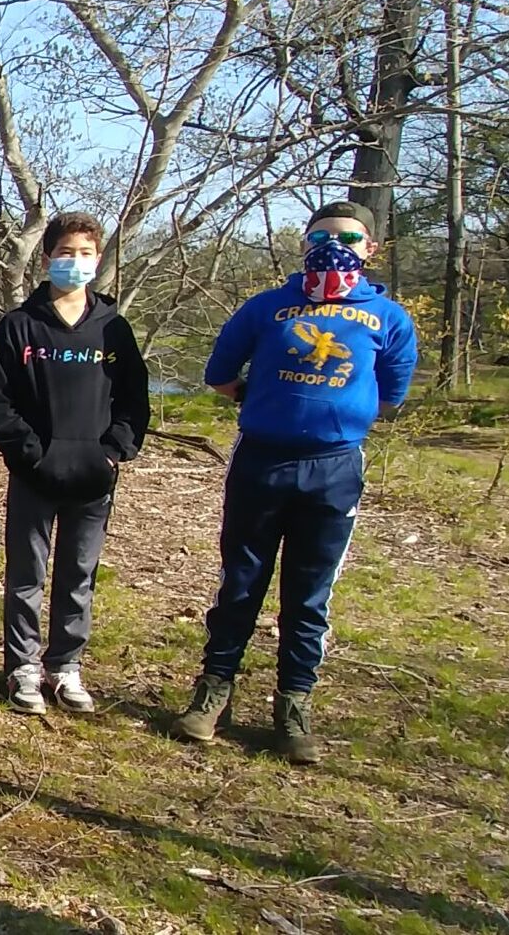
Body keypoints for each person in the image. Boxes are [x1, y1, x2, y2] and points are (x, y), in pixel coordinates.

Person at [175, 200, 416, 764]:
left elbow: (388, 396)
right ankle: (213, 692)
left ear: (370, 247)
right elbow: (219, 376)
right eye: (322, 236)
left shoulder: (389, 318)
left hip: (333, 469)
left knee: (309, 594)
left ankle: (293, 704)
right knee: (241, 582)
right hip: (262, 461)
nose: (335, 246)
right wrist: (268, 404)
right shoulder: (268, 307)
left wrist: (335, 416)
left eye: (349, 238)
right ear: (304, 244)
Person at [0, 211, 149, 715]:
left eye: (85, 254)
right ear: (48, 258)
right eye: (65, 253)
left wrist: (113, 451)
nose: (75, 263)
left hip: (94, 476)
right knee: (26, 572)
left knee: (79, 572)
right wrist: (32, 453)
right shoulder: (19, 327)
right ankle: (23, 667)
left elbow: (134, 402)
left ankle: (65, 667)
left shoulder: (113, 329)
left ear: (98, 261)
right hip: (34, 473)